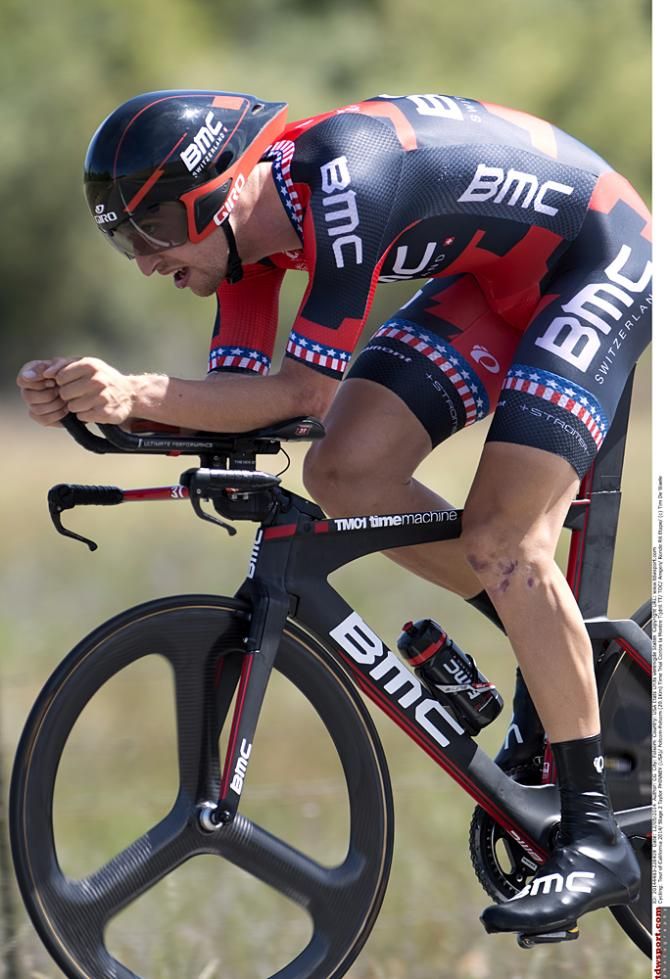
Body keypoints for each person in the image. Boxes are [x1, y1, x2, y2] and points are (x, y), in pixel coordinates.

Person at [17, 89, 651, 939]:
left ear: (217, 190)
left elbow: (303, 391)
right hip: (496, 281)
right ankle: (553, 653)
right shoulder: (245, 247)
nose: (145, 260)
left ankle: (595, 837)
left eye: (155, 228)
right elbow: (250, 413)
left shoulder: (346, 176)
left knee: (506, 535)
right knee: (346, 470)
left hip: (597, 256)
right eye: (127, 239)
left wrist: (135, 393)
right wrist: (95, 402)